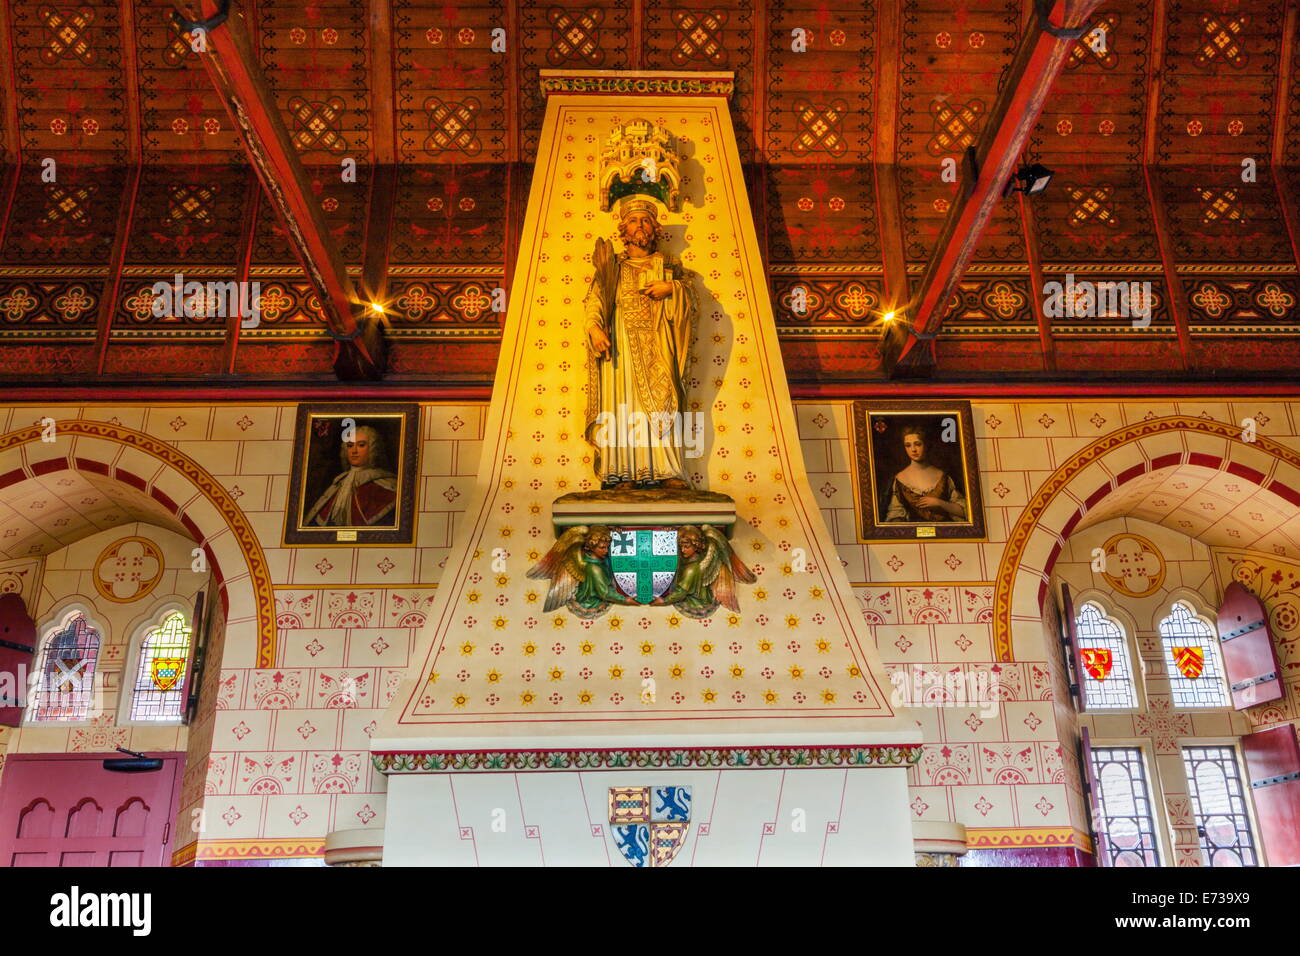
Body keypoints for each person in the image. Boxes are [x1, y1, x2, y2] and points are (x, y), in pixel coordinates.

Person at [582, 197, 697, 491]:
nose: (640, 226)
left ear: (654, 228)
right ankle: (621, 473)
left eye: (646, 220)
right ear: (624, 228)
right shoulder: (612, 268)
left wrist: (672, 288)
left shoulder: (669, 266)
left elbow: (691, 302)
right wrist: (595, 329)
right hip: (619, 348)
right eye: (633, 220)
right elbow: (594, 302)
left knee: (663, 400)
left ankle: (667, 470)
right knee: (621, 405)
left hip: (658, 344)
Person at [304, 424, 398, 527]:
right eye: (350, 445)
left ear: (373, 448)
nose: (354, 451)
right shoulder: (339, 483)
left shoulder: (387, 485)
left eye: (361, 445)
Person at [883, 425, 967, 523]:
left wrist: (940, 503)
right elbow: (895, 514)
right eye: (908, 445)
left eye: (918, 444)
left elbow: (965, 511)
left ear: (926, 445)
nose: (913, 449)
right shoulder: (899, 479)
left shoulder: (943, 477)